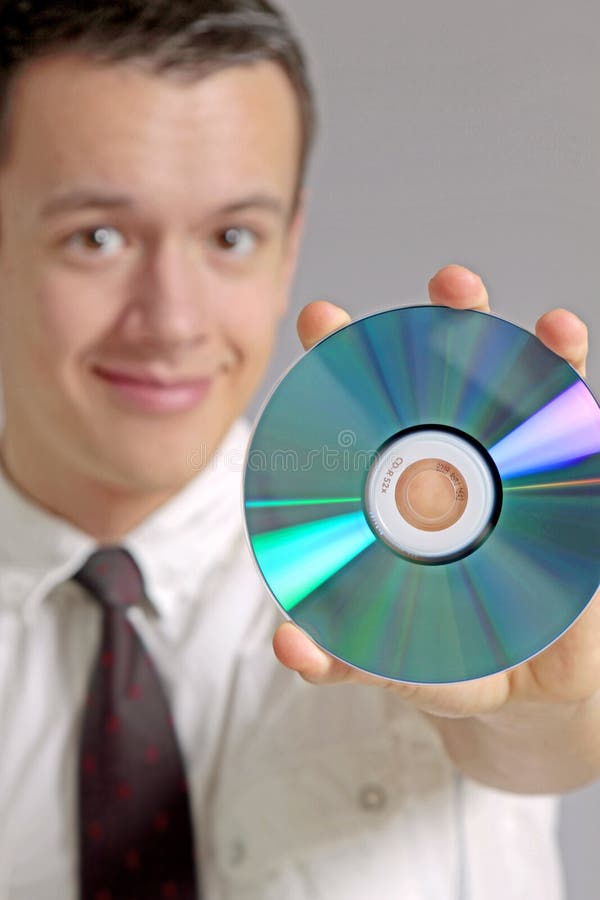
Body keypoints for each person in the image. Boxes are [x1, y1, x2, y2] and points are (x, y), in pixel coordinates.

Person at [0, 1, 597, 898]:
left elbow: (535, 746)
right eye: (99, 238)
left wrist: (546, 708)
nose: (171, 321)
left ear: (289, 248)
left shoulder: (426, 576)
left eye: (231, 237)